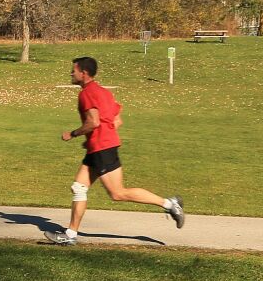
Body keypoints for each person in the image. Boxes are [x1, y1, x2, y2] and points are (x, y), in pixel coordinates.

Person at [44, 55, 184, 245]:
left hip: (102, 148)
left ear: (83, 73)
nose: (71, 73)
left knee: (117, 193)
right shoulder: (104, 92)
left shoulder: (86, 94)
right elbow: (117, 120)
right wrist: (98, 138)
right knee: (79, 187)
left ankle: (169, 204)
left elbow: (93, 122)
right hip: (99, 147)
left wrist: (73, 134)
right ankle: (70, 235)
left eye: (74, 70)